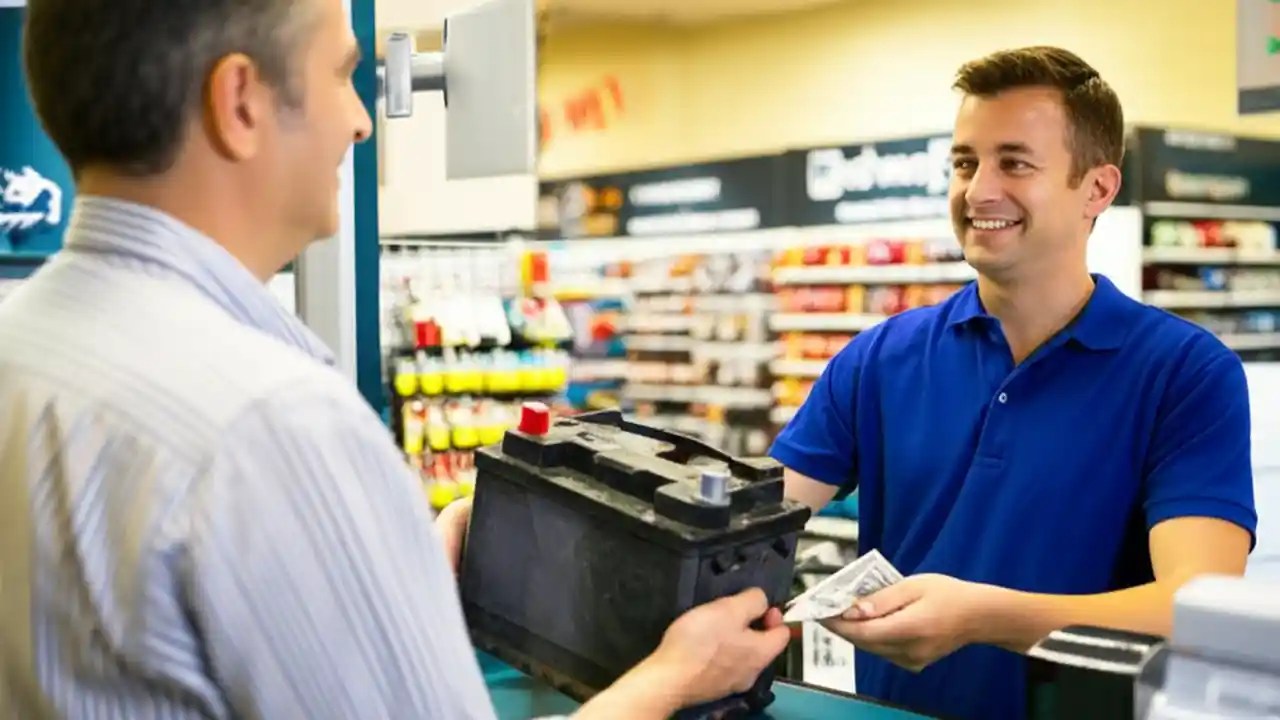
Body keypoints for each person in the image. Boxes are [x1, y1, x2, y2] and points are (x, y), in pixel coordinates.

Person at [0, 1, 790, 718]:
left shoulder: (24, 347)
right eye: (345, 74)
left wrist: (389, 580)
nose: (361, 122)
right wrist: (675, 678)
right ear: (240, 102)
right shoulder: (274, 425)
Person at [768, 46, 1257, 720]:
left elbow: (1199, 606)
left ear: (1098, 189)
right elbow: (757, 520)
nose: (978, 190)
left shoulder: (1186, 374)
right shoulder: (881, 356)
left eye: (1015, 163)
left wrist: (983, 617)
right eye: (965, 163)